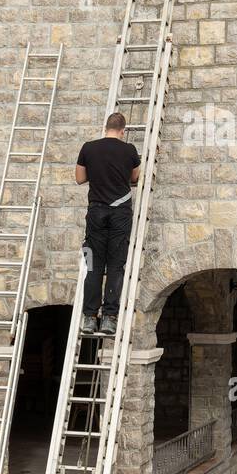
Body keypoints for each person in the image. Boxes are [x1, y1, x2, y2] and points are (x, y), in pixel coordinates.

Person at [75, 113, 140, 335]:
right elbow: (134, 178)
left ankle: (89, 318)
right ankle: (109, 318)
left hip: (96, 213)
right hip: (120, 213)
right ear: (123, 130)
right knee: (115, 265)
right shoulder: (129, 150)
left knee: (93, 266)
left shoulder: (88, 148)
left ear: (106, 127)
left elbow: (80, 178)